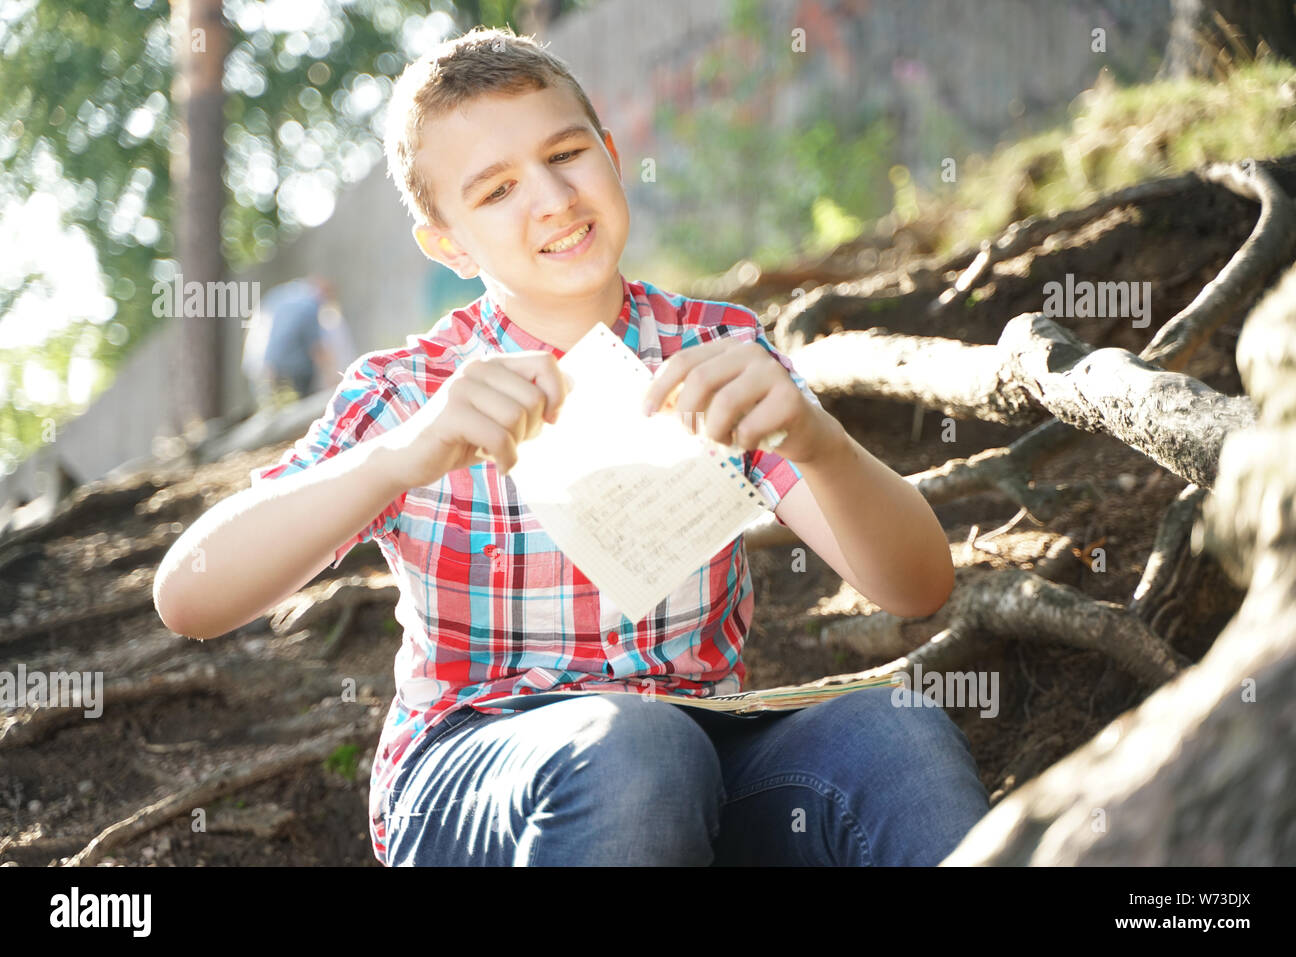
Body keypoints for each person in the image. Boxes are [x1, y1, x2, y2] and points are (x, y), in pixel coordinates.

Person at [154, 25, 989, 866]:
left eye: (567, 153)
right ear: (446, 240)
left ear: (611, 153)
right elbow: (188, 597)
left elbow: (917, 586)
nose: (552, 197)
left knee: (895, 729)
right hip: (472, 779)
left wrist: (819, 443)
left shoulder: (715, 347)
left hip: (703, 753)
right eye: (496, 191)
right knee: (631, 748)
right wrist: (399, 457)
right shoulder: (409, 393)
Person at [241, 276, 351, 410]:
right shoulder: (309, 305)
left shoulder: (280, 296)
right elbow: (317, 349)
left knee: (273, 411)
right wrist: (335, 381)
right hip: (291, 374)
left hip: (260, 369)